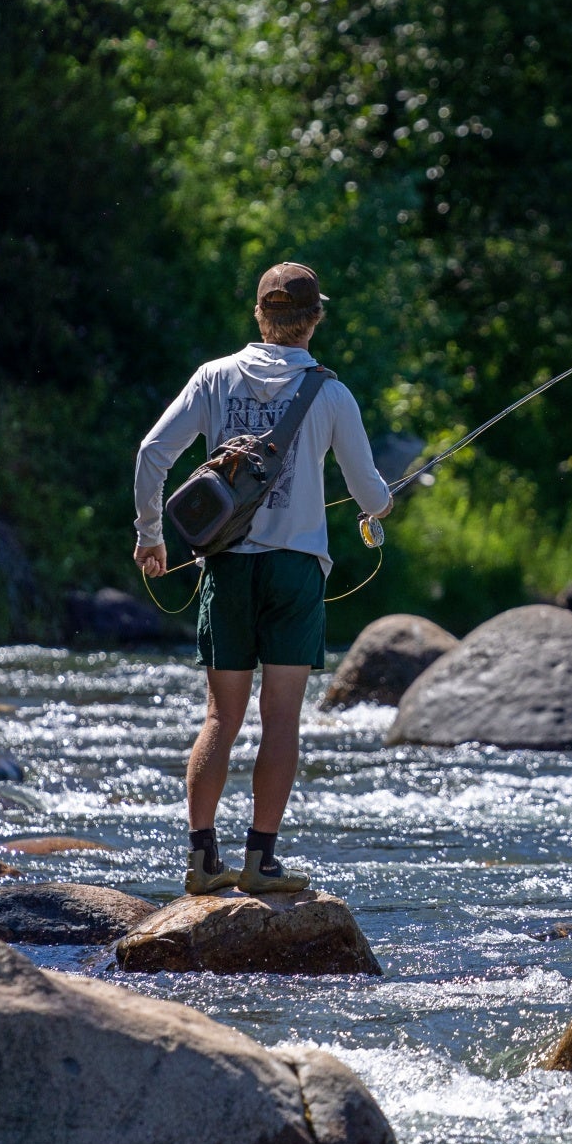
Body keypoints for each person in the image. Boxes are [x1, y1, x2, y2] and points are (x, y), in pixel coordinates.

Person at [132, 262, 392, 896]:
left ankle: (200, 860)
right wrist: (381, 507)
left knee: (222, 716)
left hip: (225, 565)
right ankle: (260, 862)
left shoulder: (215, 377)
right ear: (315, 319)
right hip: (296, 570)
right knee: (281, 721)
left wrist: (150, 535)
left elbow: (151, 454)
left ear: (259, 315)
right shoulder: (331, 393)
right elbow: (369, 492)